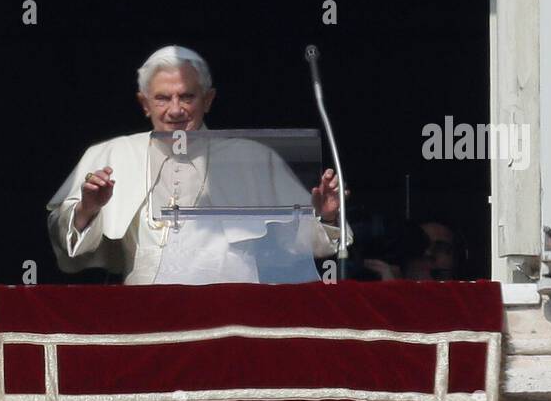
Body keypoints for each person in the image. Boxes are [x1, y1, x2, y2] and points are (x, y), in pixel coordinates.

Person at [47, 45, 350, 284]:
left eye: (187, 97)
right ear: (144, 103)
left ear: (208, 99)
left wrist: (325, 216)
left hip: (236, 314)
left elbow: (301, 247)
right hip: (147, 313)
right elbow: (65, 243)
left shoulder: (253, 156)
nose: (175, 110)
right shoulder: (114, 154)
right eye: (163, 98)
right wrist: (88, 207)